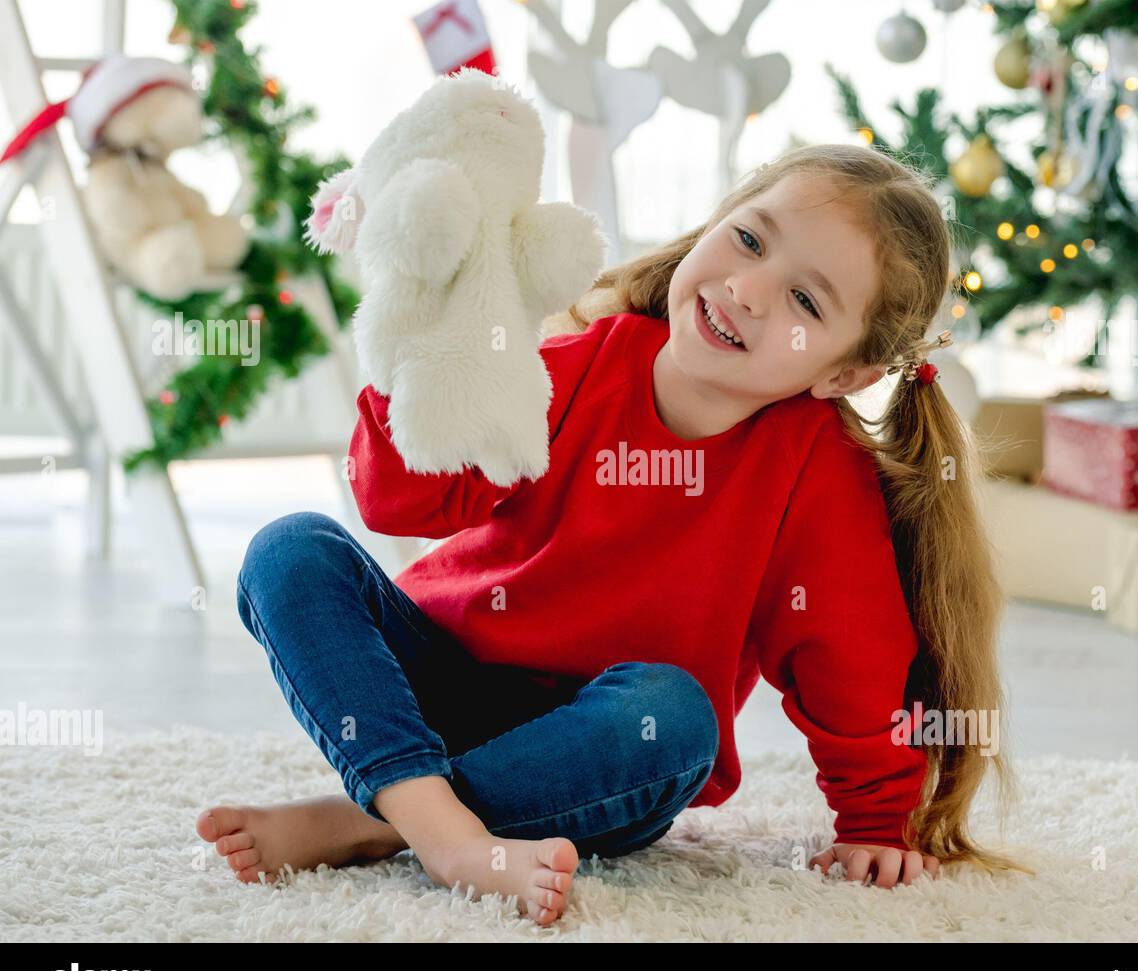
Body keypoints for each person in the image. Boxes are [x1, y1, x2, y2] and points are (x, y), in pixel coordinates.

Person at [197, 143, 1032, 927]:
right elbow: (394, 500)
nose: (748, 289)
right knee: (291, 548)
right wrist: (412, 363)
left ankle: (376, 817)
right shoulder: (580, 366)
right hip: (437, 682)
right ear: (716, 221)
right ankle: (438, 828)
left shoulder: (815, 470)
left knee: (675, 715)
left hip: (600, 751)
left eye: (807, 301)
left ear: (845, 372)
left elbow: (850, 645)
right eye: (748, 239)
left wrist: (876, 819)